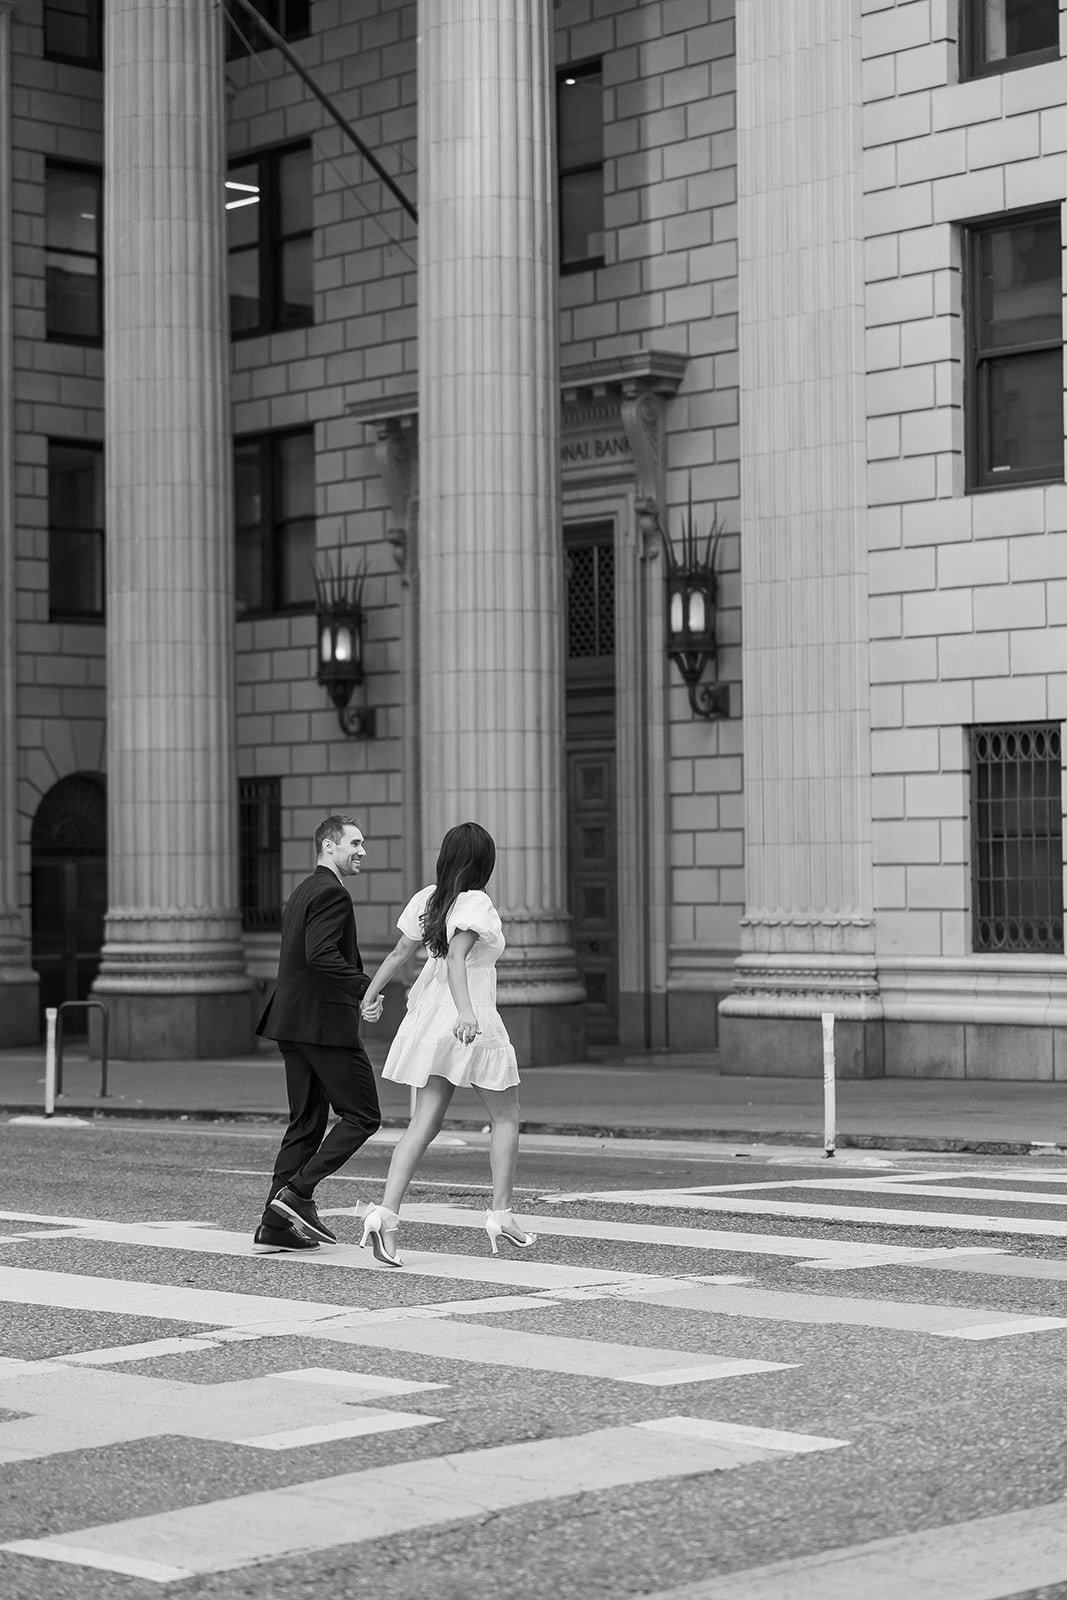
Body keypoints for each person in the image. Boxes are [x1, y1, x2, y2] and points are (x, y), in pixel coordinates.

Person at [357, 821, 536, 1266]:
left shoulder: (429, 898)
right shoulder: (477, 901)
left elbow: (400, 952)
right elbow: (457, 958)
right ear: (483, 863)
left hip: (432, 1017)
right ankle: (501, 1213)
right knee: (506, 1116)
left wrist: (370, 993)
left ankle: (386, 1217)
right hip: (467, 1016)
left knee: (424, 1124)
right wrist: (468, 1013)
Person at [252, 814, 380, 1253]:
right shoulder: (331, 893)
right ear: (329, 846)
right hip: (323, 1026)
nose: (362, 851)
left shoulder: (303, 890)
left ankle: (273, 1224)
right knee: (363, 1115)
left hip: (292, 1022)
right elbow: (320, 955)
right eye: (354, 843)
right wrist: (366, 988)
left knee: (306, 1123)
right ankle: (298, 1194)